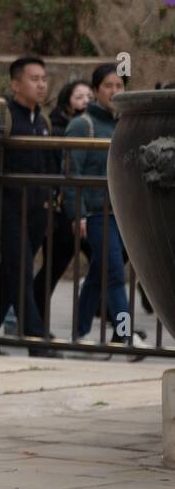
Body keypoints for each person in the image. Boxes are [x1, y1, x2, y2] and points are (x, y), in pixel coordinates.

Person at [63, 63, 145, 348]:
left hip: (122, 212)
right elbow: (72, 173)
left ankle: (79, 330)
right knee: (112, 272)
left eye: (119, 86)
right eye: (108, 86)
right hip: (96, 213)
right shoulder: (82, 125)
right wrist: (78, 214)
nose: (114, 91)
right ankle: (124, 333)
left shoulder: (123, 124)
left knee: (100, 271)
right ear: (96, 90)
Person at [0, 56, 57, 352]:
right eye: (34, 79)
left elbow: (49, 164)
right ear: (15, 84)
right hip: (10, 209)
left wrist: (50, 200)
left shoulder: (42, 121)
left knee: (11, 276)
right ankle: (35, 339)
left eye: (44, 79)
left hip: (37, 211)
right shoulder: (5, 116)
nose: (41, 84)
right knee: (20, 272)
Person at [30, 80, 93, 317]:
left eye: (88, 96)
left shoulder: (89, 127)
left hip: (79, 209)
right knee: (53, 268)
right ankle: (33, 320)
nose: (85, 101)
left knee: (104, 264)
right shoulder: (57, 128)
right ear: (67, 99)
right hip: (62, 210)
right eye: (79, 96)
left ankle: (103, 311)